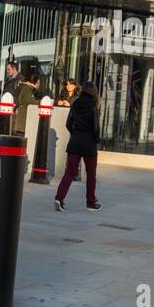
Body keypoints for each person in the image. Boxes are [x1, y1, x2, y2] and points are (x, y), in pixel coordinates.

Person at [54, 82, 102, 212]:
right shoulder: (93, 106)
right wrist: (96, 140)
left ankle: (59, 197)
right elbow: (96, 127)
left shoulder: (75, 103)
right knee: (91, 174)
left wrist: (75, 134)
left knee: (69, 173)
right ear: (94, 92)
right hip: (89, 143)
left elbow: (68, 123)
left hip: (75, 141)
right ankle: (90, 203)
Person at [12, 69, 40, 137]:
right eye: (38, 83)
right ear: (33, 83)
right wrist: (42, 102)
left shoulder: (22, 87)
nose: (39, 85)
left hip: (18, 120)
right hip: (22, 122)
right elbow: (32, 102)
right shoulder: (27, 89)